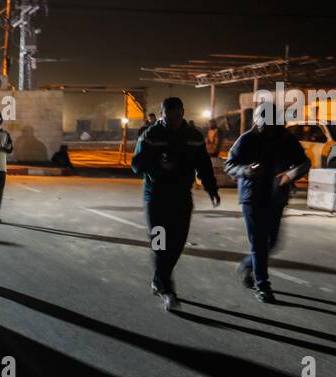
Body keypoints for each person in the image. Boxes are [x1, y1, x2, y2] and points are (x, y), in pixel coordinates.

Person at [131, 96, 221, 311]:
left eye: (176, 116)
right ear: (161, 114)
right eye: (167, 116)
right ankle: (166, 288)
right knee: (159, 242)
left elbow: (204, 165)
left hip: (181, 198)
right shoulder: (151, 135)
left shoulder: (193, 137)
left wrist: (211, 188)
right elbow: (136, 165)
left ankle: (159, 278)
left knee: (177, 244)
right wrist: (157, 163)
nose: (171, 120)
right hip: (156, 199)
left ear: (182, 113)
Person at [224, 103, 310, 303]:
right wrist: (246, 171)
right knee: (260, 242)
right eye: (261, 123)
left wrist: (289, 176)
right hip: (252, 197)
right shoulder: (246, 140)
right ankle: (263, 285)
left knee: (272, 242)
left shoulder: (285, 139)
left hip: (276, 197)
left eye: (268, 124)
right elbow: (230, 165)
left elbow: (303, 162)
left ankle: (248, 265)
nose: (264, 128)